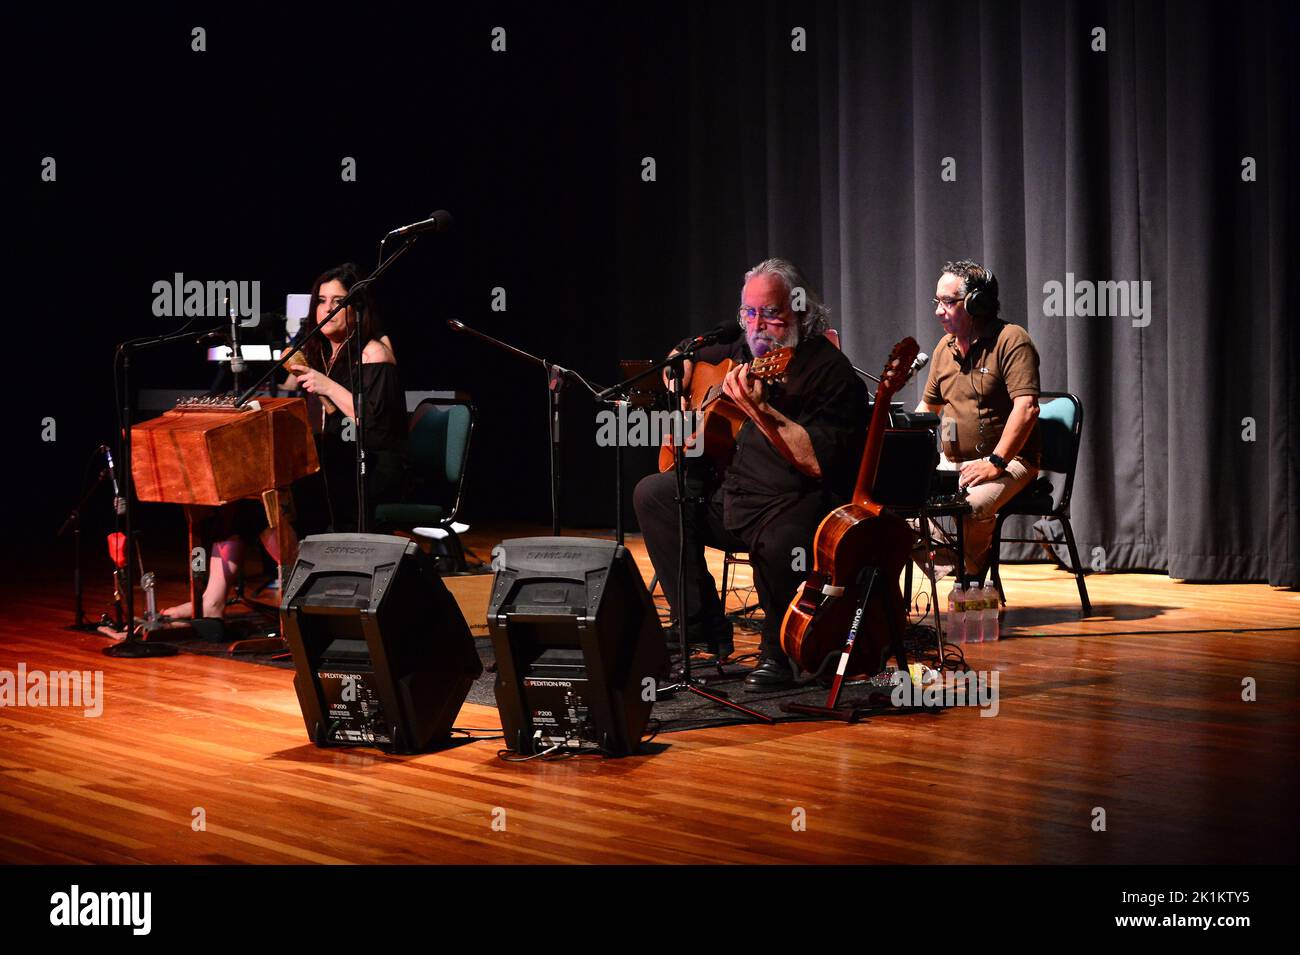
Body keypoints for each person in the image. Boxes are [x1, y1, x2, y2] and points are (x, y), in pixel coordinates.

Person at [633, 258, 869, 689]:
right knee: (655, 493)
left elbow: (817, 462)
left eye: (772, 313)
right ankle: (701, 623)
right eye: (749, 313)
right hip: (735, 496)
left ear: (802, 312)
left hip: (795, 501)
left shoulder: (831, 373)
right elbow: (687, 352)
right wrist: (679, 371)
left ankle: (782, 649)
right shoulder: (740, 351)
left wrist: (760, 410)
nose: (758, 325)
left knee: (780, 535)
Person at [162, 263, 409, 620]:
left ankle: (306, 595)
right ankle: (213, 601)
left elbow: (373, 422)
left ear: (357, 308)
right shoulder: (320, 349)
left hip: (370, 469)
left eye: (338, 301)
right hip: (330, 460)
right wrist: (297, 374)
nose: (327, 309)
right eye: (322, 301)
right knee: (245, 501)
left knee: (283, 503)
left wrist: (324, 385)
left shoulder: (373, 351)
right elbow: (293, 395)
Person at [915, 260, 1041, 578]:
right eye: (937, 302)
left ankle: (970, 582)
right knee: (890, 502)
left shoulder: (1011, 340)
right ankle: (960, 571)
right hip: (954, 463)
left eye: (948, 302)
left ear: (976, 303)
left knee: (974, 506)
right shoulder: (944, 349)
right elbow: (926, 412)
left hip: (1011, 460)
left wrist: (995, 462)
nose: (938, 311)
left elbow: (1027, 408)